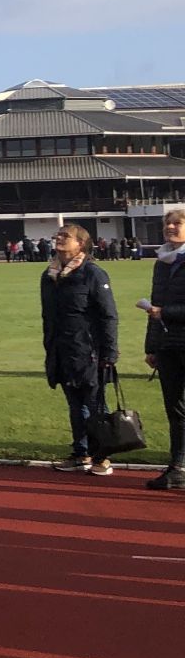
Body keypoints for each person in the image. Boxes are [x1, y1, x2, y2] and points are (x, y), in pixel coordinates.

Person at [42, 224, 119, 476]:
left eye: (66, 236)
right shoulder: (49, 276)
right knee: (75, 405)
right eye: (58, 235)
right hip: (61, 349)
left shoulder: (93, 274)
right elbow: (47, 316)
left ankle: (102, 457)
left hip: (89, 350)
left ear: (81, 243)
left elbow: (108, 315)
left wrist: (110, 351)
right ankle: (81, 453)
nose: (59, 238)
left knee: (95, 404)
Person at [139, 207, 185, 491]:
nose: (170, 227)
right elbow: (155, 305)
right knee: (176, 410)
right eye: (167, 223)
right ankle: (178, 466)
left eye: (177, 223)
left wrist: (165, 312)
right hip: (169, 345)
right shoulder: (162, 262)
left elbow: (161, 309)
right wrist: (152, 346)